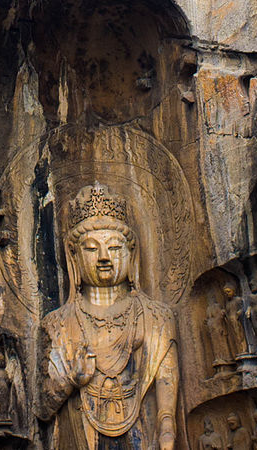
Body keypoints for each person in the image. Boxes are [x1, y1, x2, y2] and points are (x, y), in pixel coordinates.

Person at [40, 183, 179, 450]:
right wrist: (70, 380)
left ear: (131, 255)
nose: (104, 258)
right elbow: (43, 409)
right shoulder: (57, 323)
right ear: (75, 258)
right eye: (92, 249)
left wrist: (167, 431)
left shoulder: (156, 318)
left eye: (115, 248)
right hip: (79, 432)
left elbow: (166, 397)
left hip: (142, 433)